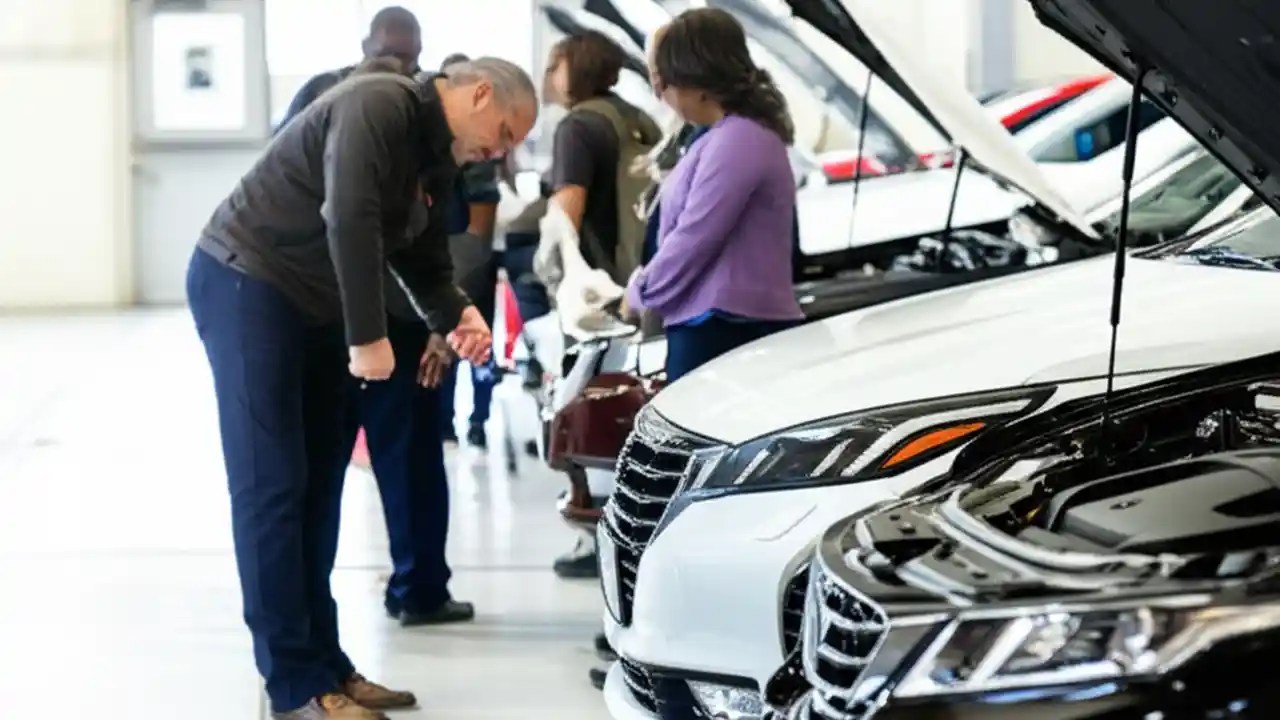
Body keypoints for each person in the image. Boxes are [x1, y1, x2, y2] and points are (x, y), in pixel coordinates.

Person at [187, 53, 537, 719]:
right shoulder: (378, 102)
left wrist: (456, 313)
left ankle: (327, 664)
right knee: (273, 484)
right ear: (482, 94)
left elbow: (422, 253)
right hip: (247, 281)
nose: (503, 149)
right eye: (508, 131)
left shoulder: (436, 153)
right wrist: (368, 338)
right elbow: (346, 215)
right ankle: (292, 683)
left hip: (313, 304)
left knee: (319, 487)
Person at [277, 14, 479, 633]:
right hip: (349, 320)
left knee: (403, 460)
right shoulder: (359, 103)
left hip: (390, 320)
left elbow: (446, 235)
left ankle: (414, 589)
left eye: (411, 55)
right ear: (369, 50)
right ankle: (405, 592)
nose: (404, 64)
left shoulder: (408, 116)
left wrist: (448, 322)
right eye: (397, 53)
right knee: (374, 463)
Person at [624, 8, 803, 382]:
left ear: (697, 80)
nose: (662, 93)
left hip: (725, 328)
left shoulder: (739, 139)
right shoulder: (724, 136)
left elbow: (695, 236)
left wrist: (640, 293)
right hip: (713, 323)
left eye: (667, 82)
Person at [438, 52, 502, 449]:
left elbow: (481, 224)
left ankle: (470, 421)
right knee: (470, 347)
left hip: (463, 266)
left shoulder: (474, 152)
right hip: (459, 265)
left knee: (470, 346)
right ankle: (467, 421)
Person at [277, 6, 422, 131]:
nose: (395, 65)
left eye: (406, 58)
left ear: (418, 51)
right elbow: (284, 148)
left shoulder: (426, 95)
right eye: (386, 54)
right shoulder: (322, 89)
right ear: (366, 46)